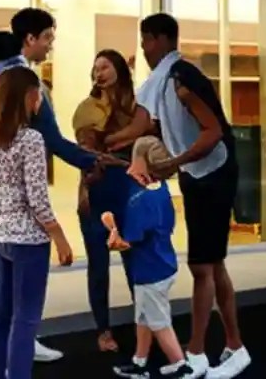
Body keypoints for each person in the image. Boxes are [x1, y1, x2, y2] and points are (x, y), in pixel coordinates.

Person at [0, 10, 105, 375]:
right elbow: (52, 144)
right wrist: (94, 161)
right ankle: (6, 347)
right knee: (16, 294)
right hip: (11, 201)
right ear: (29, 39)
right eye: (48, 38)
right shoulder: (28, 86)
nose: (51, 46)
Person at [133, 13, 251, 379]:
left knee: (202, 266)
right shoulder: (164, 82)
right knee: (212, 265)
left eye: (146, 40)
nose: (143, 48)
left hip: (214, 173)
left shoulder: (183, 79)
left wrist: (176, 161)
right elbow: (147, 126)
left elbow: (213, 131)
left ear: (160, 39)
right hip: (196, 174)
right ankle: (231, 347)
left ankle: (198, 352)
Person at [0, 66, 75, 379]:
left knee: (0, 314)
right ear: (29, 96)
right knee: (26, 318)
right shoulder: (31, 140)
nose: (41, 101)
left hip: (1, 234)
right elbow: (37, 200)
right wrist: (60, 237)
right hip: (29, 240)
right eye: (39, 95)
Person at [70, 49, 155, 353]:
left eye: (105, 66)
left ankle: (146, 324)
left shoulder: (137, 109)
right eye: (95, 68)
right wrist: (120, 153)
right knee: (99, 265)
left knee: (137, 263)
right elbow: (89, 156)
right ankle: (103, 331)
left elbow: (148, 144)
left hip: (130, 196)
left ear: (119, 70)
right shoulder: (86, 110)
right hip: (97, 193)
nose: (98, 72)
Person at [104, 137, 192, 379]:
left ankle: (181, 366)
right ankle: (140, 361)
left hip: (150, 271)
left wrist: (110, 227)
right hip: (162, 264)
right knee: (143, 316)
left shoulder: (140, 200)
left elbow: (126, 242)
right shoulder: (161, 190)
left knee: (158, 321)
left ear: (141, 162)